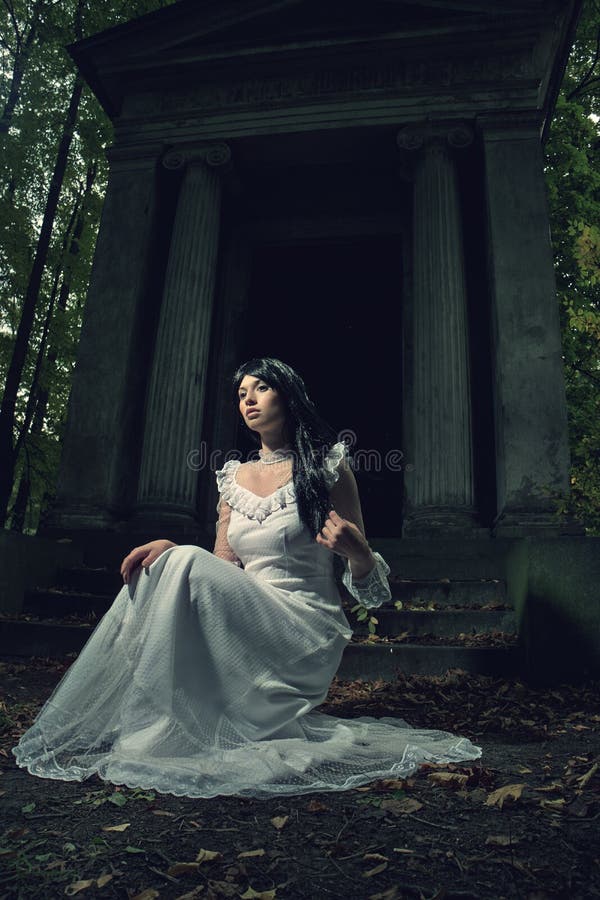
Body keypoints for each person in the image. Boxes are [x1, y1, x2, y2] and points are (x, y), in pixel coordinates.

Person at [12, 357, 482, 798]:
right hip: (249, 613)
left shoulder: (328, 466)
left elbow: (371, 588)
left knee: (185, 562)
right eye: (241, 393)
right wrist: (173, 552)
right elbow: (223, 566)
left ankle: (182, 713)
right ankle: (164, 719)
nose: (249, 399)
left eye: (262, 387)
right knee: (166, 565)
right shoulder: (231, 478)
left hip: (306, 624)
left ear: (289, 397)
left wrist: (358, 551)